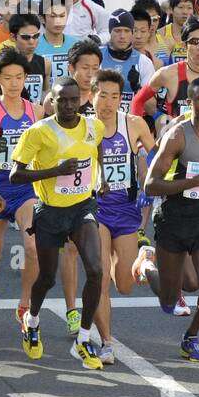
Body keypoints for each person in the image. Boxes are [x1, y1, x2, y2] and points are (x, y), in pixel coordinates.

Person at [132, 74, 199, 397]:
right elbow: (151, 185)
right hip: (174, 223)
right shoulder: (177, 136)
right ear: (189, 103)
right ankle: (147, 265)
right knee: (171, 296)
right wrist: (197, 180)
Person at [10, 77, 106, 368]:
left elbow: (97, 150)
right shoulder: (38, 132)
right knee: (47, 278)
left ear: (81, 100)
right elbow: (16, 175)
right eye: (61, 100)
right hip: (50, 212)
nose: (68, 105)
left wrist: (99, 178)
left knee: (96, 270)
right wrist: (55, 171)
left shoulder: (94, 126)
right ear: (51, 101)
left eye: (73, 99)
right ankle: (32, 319)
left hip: (82, 208)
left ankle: (83, 339)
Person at [87, 69, 155, 361]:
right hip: (95, 210)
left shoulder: (134, 124)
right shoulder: (82, 127)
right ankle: (106, 341)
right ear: (92, 96)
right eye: (103, 95)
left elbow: (158, 156)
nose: (108, 103)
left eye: (114, 96)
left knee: (125, 285)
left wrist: (150, 184)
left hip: (126, 209)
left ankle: (141, 257)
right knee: (100, 278)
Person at [0, 48, 43, 332]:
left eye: (19, 77)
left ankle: (24, 304)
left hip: (26, 187)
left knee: (32, 247)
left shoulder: (36, 112)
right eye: (7, 78)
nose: (14, 83)